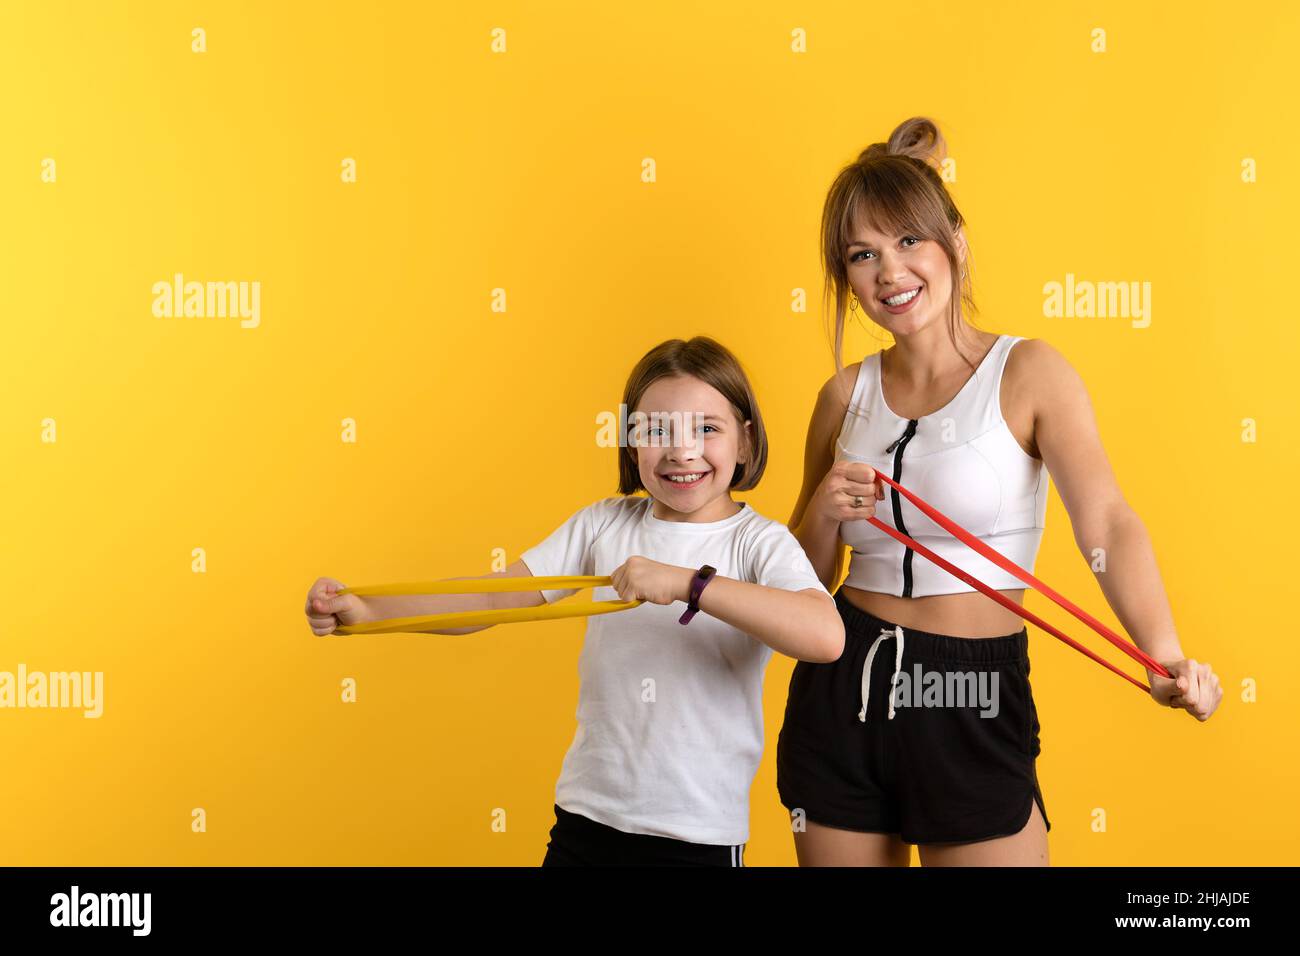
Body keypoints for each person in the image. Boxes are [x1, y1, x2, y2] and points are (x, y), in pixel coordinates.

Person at [776, 116, 1223, 867]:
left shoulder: (1031, 372)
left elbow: (1107, 523)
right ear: (846, 279)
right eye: (864, 255)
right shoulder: (841, 397)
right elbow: (801, 584)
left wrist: (1164, 651)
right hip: (842, 687)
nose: (890, 271)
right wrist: (822, 512)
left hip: (971, 690)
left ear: (954, 238)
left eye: (909, 241)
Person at [306, 336, 844, 865]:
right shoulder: (601, 525)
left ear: (746, 441)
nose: (683, 450)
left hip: (697, 837)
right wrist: (367, 612)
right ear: (632, 442)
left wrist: (689, 585)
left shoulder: (758, 542)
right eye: (658, 430)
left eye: (707, 428)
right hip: (586, 821)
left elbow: (824, 636)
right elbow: (490, 600)